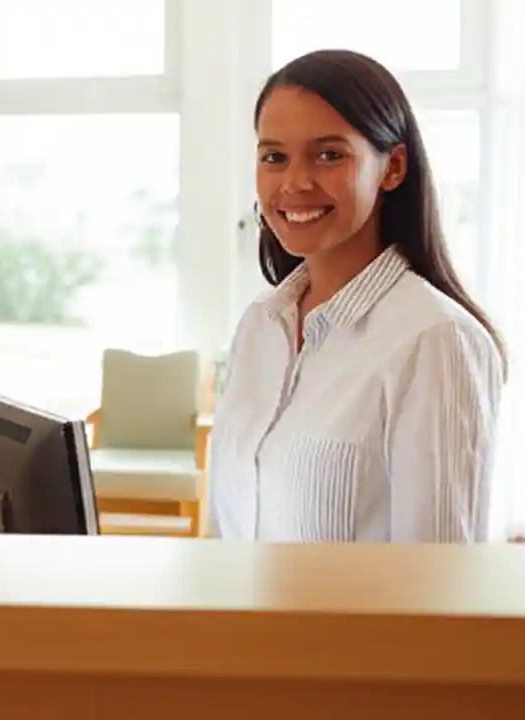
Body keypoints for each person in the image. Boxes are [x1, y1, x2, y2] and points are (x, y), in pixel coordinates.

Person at [206, 49, 506, 543]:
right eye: (274, 157)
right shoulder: (260, 326)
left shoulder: (435, 340)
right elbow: (223, 534)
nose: (295, 182)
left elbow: (437, 583)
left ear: (392, 168)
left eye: (329, 154)